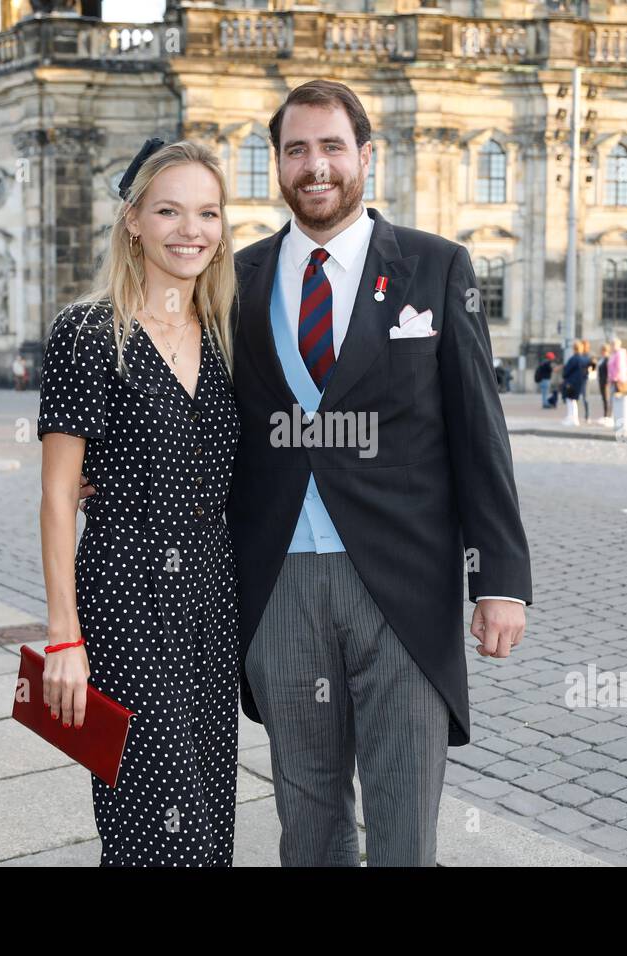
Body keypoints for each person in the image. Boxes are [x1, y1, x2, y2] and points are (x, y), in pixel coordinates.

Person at [222, 80, 530, 866]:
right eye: (296, 150)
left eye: (331, 147)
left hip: (402, 581)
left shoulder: (434, 267)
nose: (314, 166)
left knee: (403, 820)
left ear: (366, 155)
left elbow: (478, 432)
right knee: (308, 810)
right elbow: (206, 419)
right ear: (277, 164)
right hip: (279, 581)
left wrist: (498, 579)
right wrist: (117, 471)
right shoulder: (234, 280)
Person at [41, 139, 240, 866]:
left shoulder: (222, 335)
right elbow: (59, 495)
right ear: (133, 221)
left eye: (208, 213)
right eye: (169, 211)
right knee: (154, 812)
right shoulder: (90, 333)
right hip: (124, 590)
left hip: (214, 595)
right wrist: (64, 638)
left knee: (210, 810)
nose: (192, 229)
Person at [561, 339, 588, 426]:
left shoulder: (573, 359)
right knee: (574, 401)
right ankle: (574, 418)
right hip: (579, 382)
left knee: (570, 401)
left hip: (571, 382)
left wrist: (565, 376)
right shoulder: (584, 359)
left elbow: (566, 371)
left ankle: (572, 418)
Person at [595, 342, 612, 425]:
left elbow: (609, 371)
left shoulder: (608, 359)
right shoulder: (602, 359)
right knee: (604, 399)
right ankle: (605, 415)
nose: (601, 352)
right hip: (601, 381)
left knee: (607, 399)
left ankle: (608, 416)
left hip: (605, 382)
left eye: (603, 350)